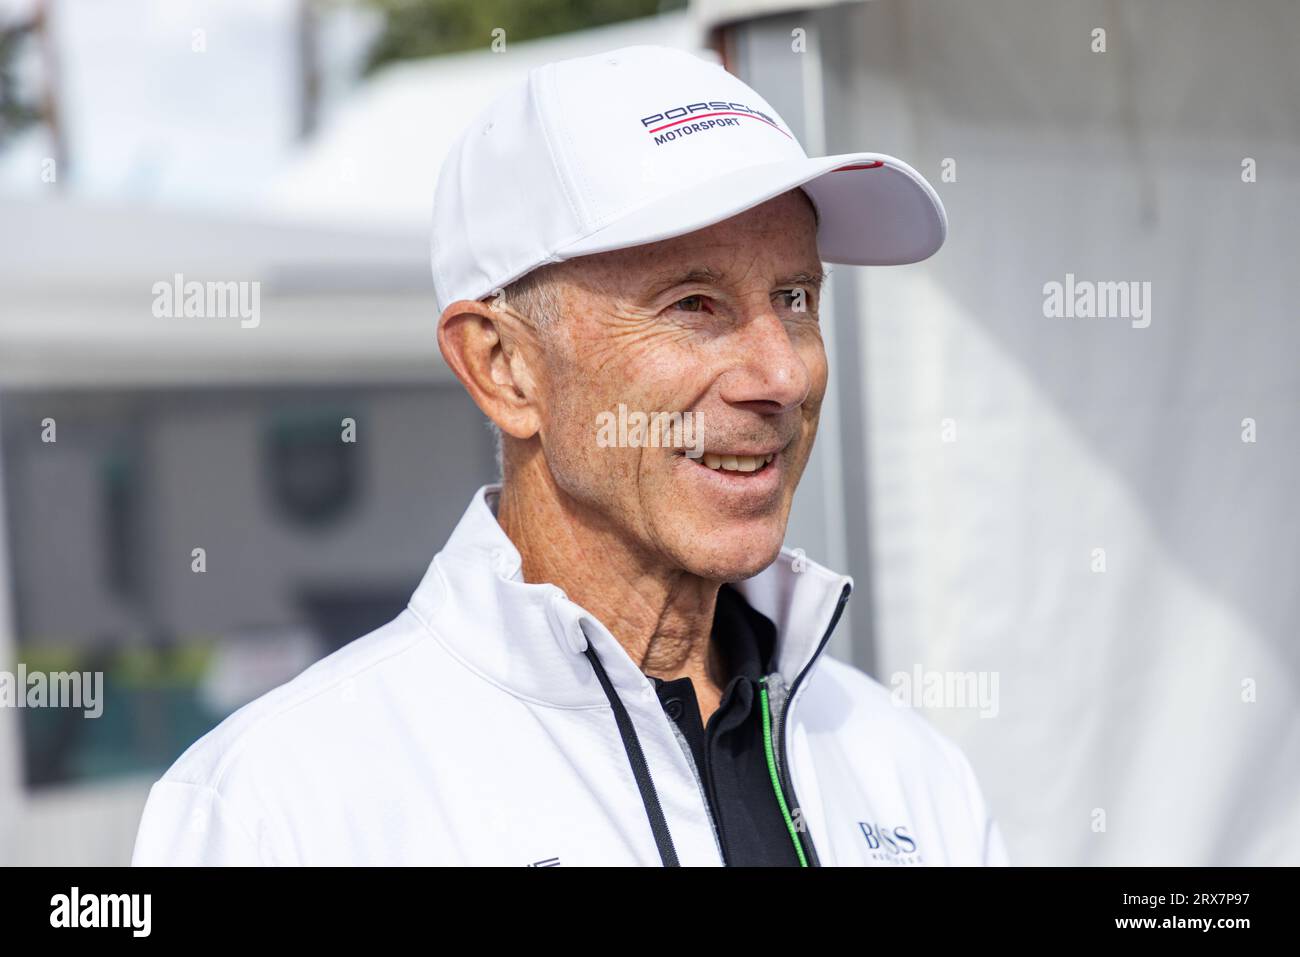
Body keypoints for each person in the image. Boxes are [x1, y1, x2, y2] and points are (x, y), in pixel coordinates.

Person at [131, 44, 1009, 866]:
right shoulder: (280, 812)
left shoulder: (907, 770)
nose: (780, 372)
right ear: (502, 367)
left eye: (795, 296)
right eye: (693, 303)